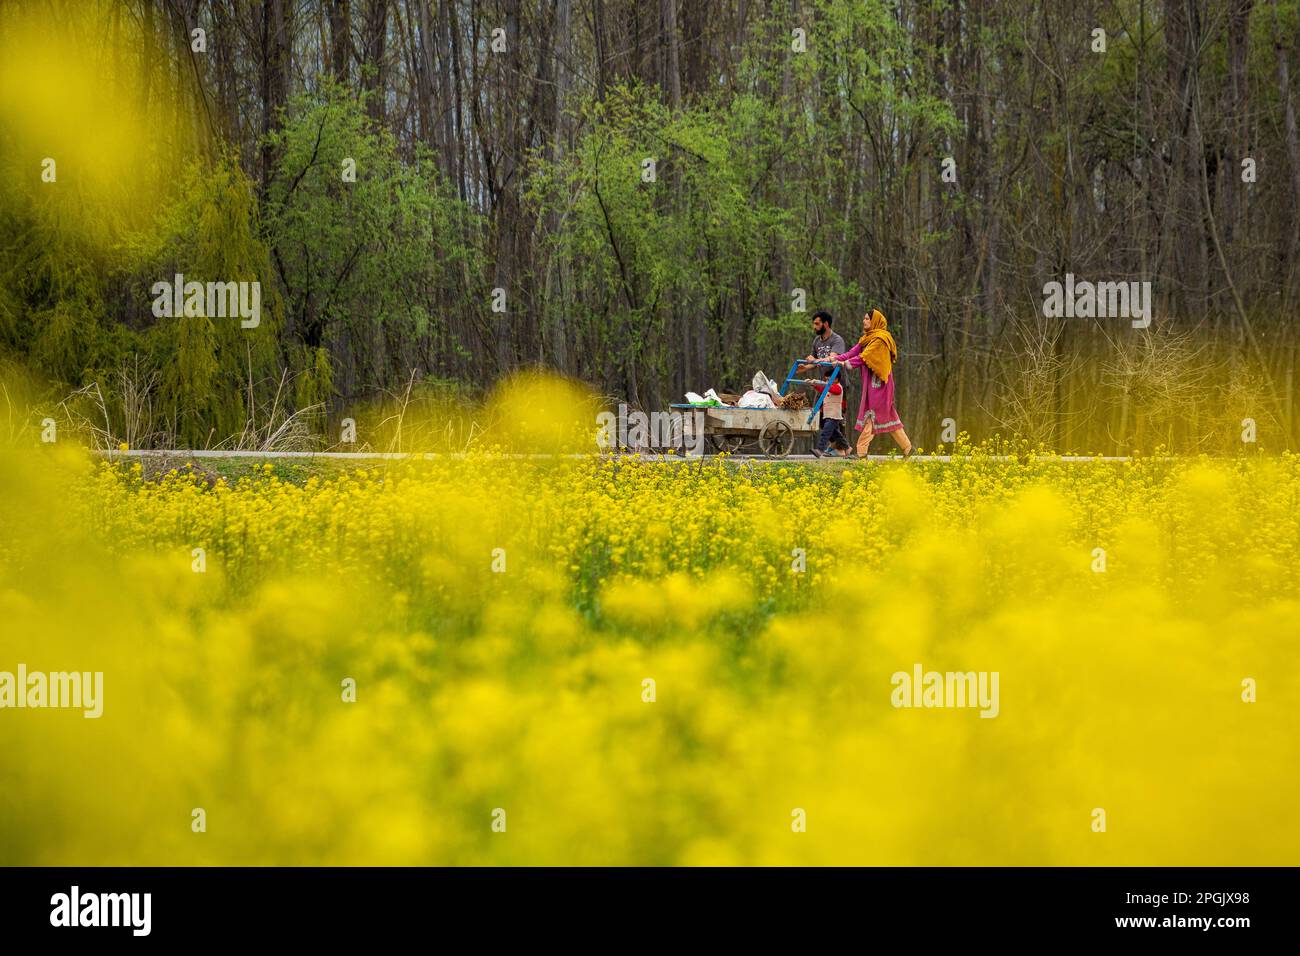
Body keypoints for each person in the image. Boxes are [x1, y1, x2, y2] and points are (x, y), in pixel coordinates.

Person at [828, 309, 915, 459]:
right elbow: (852, 353)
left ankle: (861, 453)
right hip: (872, 386)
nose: (864, 321)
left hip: (880, 385)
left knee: (871, 417)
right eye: (864, 319)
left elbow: (863, 357)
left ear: (875, 321)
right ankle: (908, 448)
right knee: (890, 418)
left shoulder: (881, 340)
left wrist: (844, 364)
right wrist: (833, 359)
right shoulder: (867, 339)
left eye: (867, 319)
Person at [811, 377, 847, 457]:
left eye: (829, 379)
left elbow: (831, 389)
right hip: (828, 414)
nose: (827, 381)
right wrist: (814, 385)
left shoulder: (838, 387)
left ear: (836, 379)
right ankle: (847, 448)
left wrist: (818, 382)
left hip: (834, 415)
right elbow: (823, 390)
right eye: (826, 379)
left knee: (826, 432)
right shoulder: (830, 387)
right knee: (836, 434)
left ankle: (819, 450)